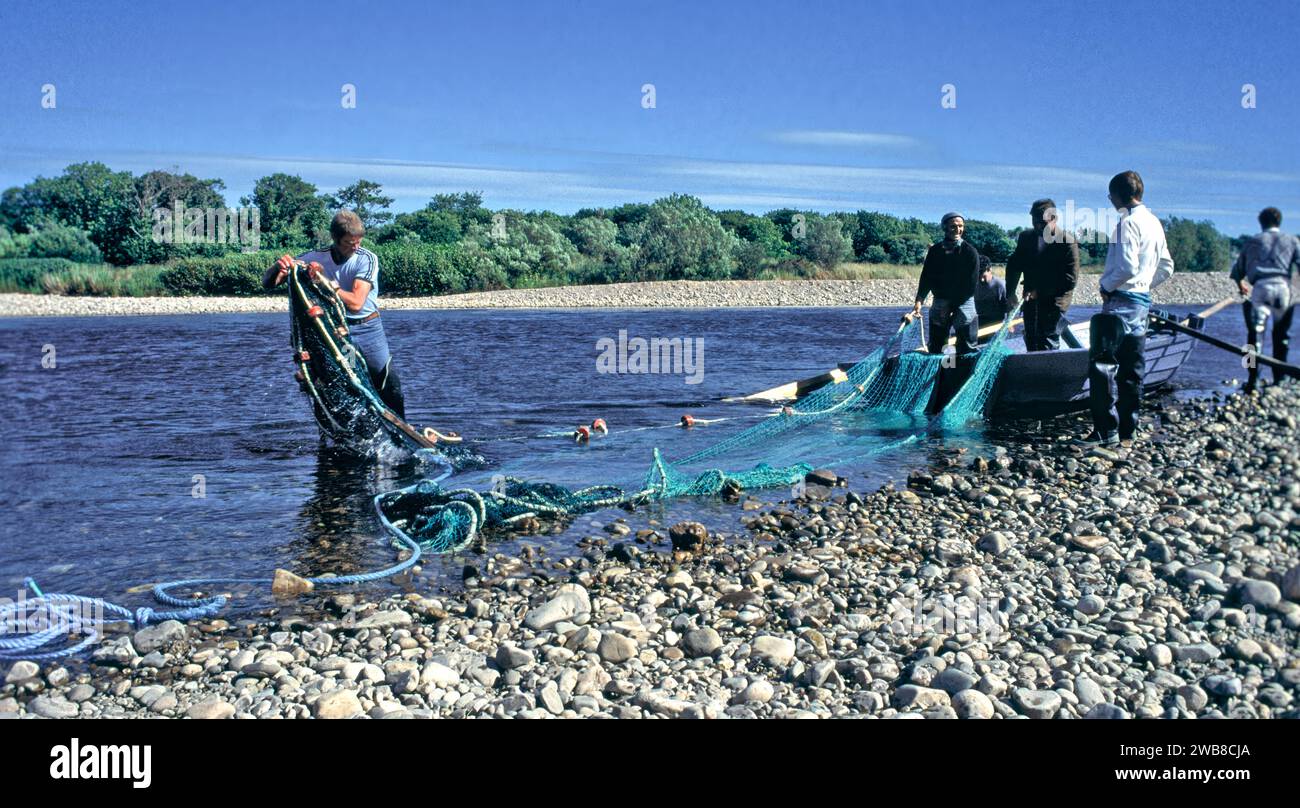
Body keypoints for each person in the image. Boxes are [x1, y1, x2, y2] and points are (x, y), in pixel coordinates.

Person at [263, 210, 407, 419]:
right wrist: (277, 267)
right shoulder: (313, 257)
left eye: (358, 241)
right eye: (349, 243)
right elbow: (269, 283)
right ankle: (351, 427)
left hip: (367, 329)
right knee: (347, 378)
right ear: (335, 239)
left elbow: (357, 303)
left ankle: (403, 428)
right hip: (336, 333)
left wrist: (329, 286)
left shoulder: (366, 259)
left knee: (386, 379)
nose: (355, 247)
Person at [1077, 171, 1173, 446]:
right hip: (1142, 302)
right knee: (1132, 370)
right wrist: (1145, 284)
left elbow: (1127, 267)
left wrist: (1107, 286)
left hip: (1120, 302)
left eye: (1110, 196)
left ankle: (1105, 431)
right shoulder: (1155, 222)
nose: (1110, 201)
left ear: (1118, 195)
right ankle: (1127, 431)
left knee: (1103, 366)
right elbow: (1167, 266)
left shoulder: (1127, 223)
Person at [1229, 206, 1300, 392]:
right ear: (1280, 221)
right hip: (1283, 289)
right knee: (1282, 336)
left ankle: (1252, 379)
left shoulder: (1252, 241)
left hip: (1260, 288)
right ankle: (1280, 379)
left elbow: (1237, 272)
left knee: (1253, 337)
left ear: (1261, 223)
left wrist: (1241, 286)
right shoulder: (1292, 240)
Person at [1005, 198, 1079, 351]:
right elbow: (1014, 266)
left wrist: (1039, 292)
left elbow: (1070, 279)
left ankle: (1050, 372)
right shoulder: (1025, 237)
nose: (1038, 226)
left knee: (1048, 341)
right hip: (1030, 300)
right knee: (1031, 338)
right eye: (1035, 221)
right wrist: (1010, 292)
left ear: (1054, 219)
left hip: (1056, 301)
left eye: (1043, 223)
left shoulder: (1067, 242)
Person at [907, 212, 981, 356]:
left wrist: (952, 306)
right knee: (938, 342)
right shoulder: (935, 251)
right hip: (941, 299)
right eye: (953, 226)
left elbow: (971, 285)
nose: (957, 229)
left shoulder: (970, 252)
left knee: (967, 341)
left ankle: (965, 362)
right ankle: (942, 364)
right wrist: (919, 300)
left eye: (960, 226)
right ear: (945, 228)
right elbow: (926, 277)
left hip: (964, 298)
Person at [974, 254, 1008, 326]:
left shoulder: (1000, 285)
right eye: (978, 276)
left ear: (990, 269)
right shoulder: (973, 285)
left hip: (995, 323)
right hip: (978, 322)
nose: (981, 280)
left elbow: (1008, 307)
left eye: (983, 276)